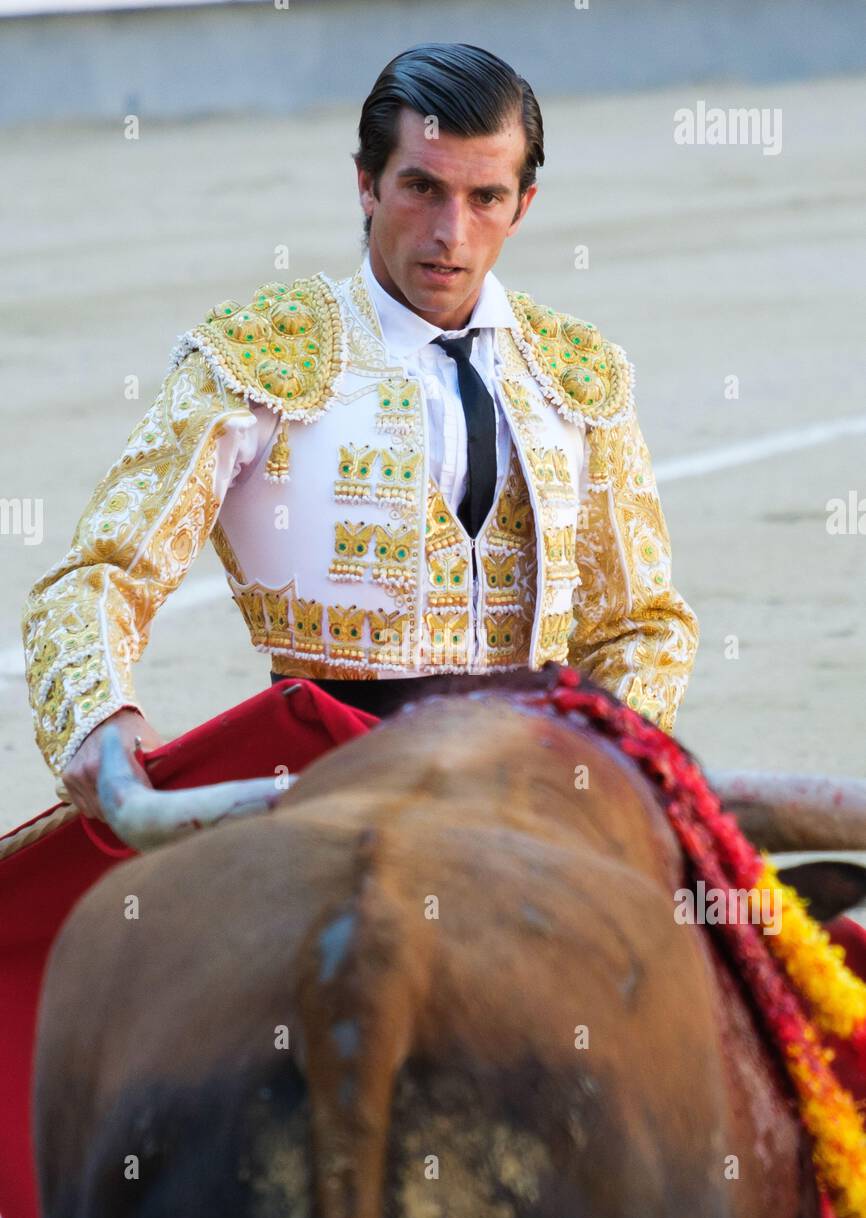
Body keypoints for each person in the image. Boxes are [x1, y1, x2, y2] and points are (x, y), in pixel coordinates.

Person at [21, 42, 699, 823]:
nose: (451, 232)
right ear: (366, 183)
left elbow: (640, 622)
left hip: (530, 786)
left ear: (524, 206)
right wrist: (101, 712)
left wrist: (602, 762)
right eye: (422, 187)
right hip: (322, 789)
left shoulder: (578, 372)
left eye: (485, 197)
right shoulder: (258, 358)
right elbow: (101, 573)